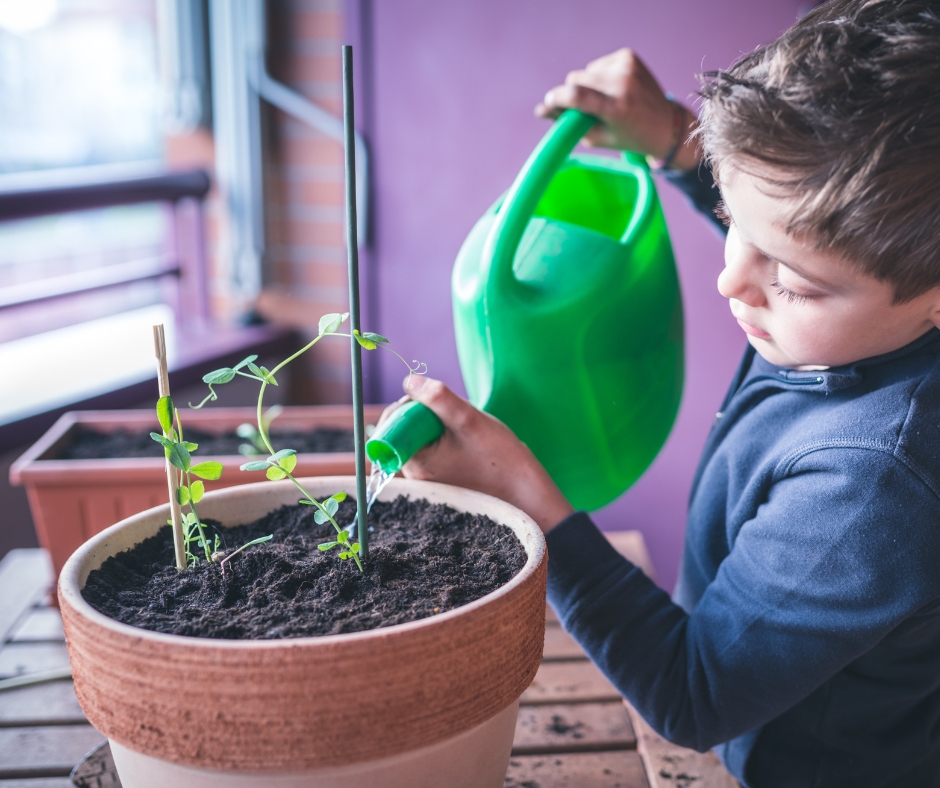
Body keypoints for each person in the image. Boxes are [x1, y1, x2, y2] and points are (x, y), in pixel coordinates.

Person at [384, 1, 940, 784]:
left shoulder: (876, 485)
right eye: (730, 217)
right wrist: (678, 140)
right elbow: (807, 235)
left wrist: (528, 499)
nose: (730, 280)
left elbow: (691, 696)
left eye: (790, 282)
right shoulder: (875, 309)